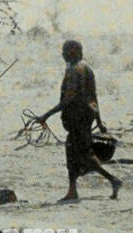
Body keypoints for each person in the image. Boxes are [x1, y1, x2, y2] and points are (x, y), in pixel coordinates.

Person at [38, 39, 121, 202]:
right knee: (72, 153)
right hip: (85, 117)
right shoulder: (86, 69)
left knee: (84, 154)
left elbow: (68, 99)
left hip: (79, 118)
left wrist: (46, 115)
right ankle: (72, 190)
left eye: (65, 51)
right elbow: (94, 97)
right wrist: (98, 119)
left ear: (74, 51)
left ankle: (113, 180)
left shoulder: (76, 70)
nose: (62, 55)